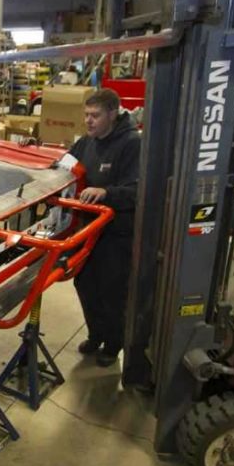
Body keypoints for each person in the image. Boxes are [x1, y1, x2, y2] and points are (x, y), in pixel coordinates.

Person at [69, 88, 142, 367]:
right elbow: (67, 163)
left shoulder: (131, 143)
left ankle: (113, 344)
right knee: (85, 284)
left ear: (113, 113)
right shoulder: (87, 142)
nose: (88, 121)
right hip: (87, 231)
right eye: (86, 115)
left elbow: (137, 190)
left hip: (115, 233)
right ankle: (96, 334)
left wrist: (105, 192)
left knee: (111, 291)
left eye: (95, 116)